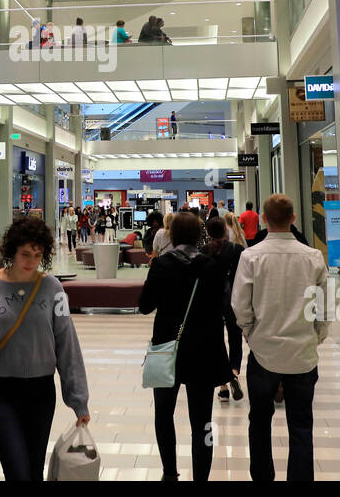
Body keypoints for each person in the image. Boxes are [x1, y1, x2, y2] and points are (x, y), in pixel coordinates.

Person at [0, 217, 90, 480]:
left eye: (38, 255)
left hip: (40, 392)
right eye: (25, 254)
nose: (31, 261)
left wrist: (79, 401)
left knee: (33, 472)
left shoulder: (53, 288)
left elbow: (67, 345)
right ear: (11, 251)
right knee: (17, 472)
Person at [231, 194, 328, 481]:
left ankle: (262, 477)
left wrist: (251, 334)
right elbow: (324, 307)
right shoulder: (313, 257)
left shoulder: (251, 257)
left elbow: (240, 305)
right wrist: (315, 337)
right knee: (301, 426)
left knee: (259, 422)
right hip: (303, 356)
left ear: (263, 219)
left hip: (264, 354)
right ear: (293, 219)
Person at [138, 211, 230, 481]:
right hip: (204, 351)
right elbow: (224, 307)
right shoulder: (212, 267)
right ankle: (201, 477)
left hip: (168, 348)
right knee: (203, 422)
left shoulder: (161, 265)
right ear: (199, 236)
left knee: (164, 414)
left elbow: (145, 306)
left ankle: (169, 473)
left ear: (172, 235)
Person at [205, 217, 245, 403]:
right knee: (235, 338)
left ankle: (222, 387)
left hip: (212, 302)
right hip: (234, 301)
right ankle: (234, 372)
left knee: (217, 342)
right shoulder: (237, 250)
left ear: (208, 233)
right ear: (225, 231)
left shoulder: (204, 251)